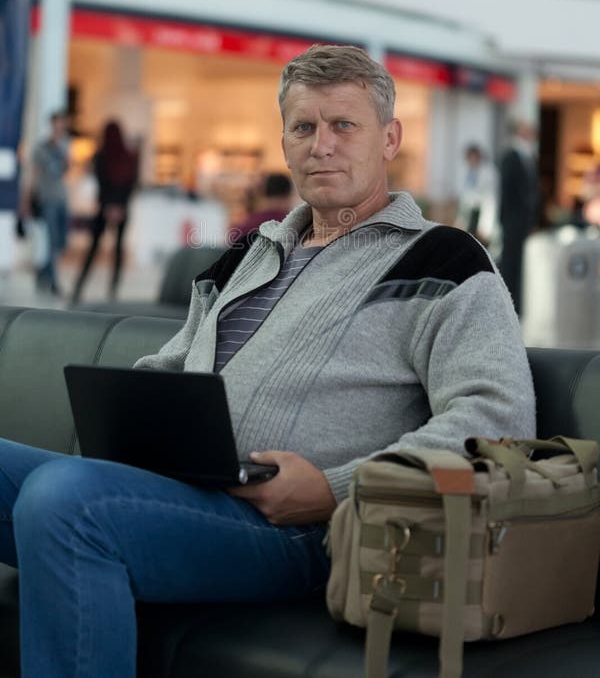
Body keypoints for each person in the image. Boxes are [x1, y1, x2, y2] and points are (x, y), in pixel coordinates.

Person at [0, 45, 535, 678]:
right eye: (303, 127)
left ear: (389, 138)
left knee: (67, 501)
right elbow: (176, 364)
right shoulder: (252, 251)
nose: (322, 145)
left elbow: (497, 422)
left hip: (305, 532)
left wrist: (336, 489)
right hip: (183, 489)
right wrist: (129, 410)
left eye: (344, 125)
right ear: (284, 141)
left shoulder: (444, 260)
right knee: (55, 486)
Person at [71, 120, 138, 303]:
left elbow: (102, 184)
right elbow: (131, 184)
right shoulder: (130, 157)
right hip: (121, 209)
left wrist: (109, 205)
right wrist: (120, 206)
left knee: (93, 249)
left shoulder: (101, 155)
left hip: (105, 208)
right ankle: (113, 292)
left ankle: (78, 289)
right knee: (117, 250)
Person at [498, 119, 540, 316]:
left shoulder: (528, 156)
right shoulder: (511, 157)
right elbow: (507, 192)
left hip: (523, 222)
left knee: (521, 263)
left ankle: (519, 304)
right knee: (510, 262)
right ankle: (508, 303)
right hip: (512, 221)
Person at [27, 110, 70, 295]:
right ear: (52, 124)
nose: (60, 127)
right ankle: (53, 282)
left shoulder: (65, 145)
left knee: (61, 242)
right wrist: (28, 199)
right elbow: (34, 175)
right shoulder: (40, 148)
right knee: (52, 241)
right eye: (58, 123)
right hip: (47, 199)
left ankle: (42, 272)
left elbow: (66, 169)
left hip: (62, 198)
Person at [455, 143, 499, 249]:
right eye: (469, 158)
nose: (471, 161)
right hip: (470, 216)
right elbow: (464, 199)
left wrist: (486, 227)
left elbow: (490, 202)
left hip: (482, 216)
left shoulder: (489, 173)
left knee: (482, 248)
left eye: (474, 158)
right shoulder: (468, 173)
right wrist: (460, 221)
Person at [228, 171, 293, 241]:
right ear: (288, 194)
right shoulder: (294, 223)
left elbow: (233, 238)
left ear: (262, 192)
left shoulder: (248, 224)